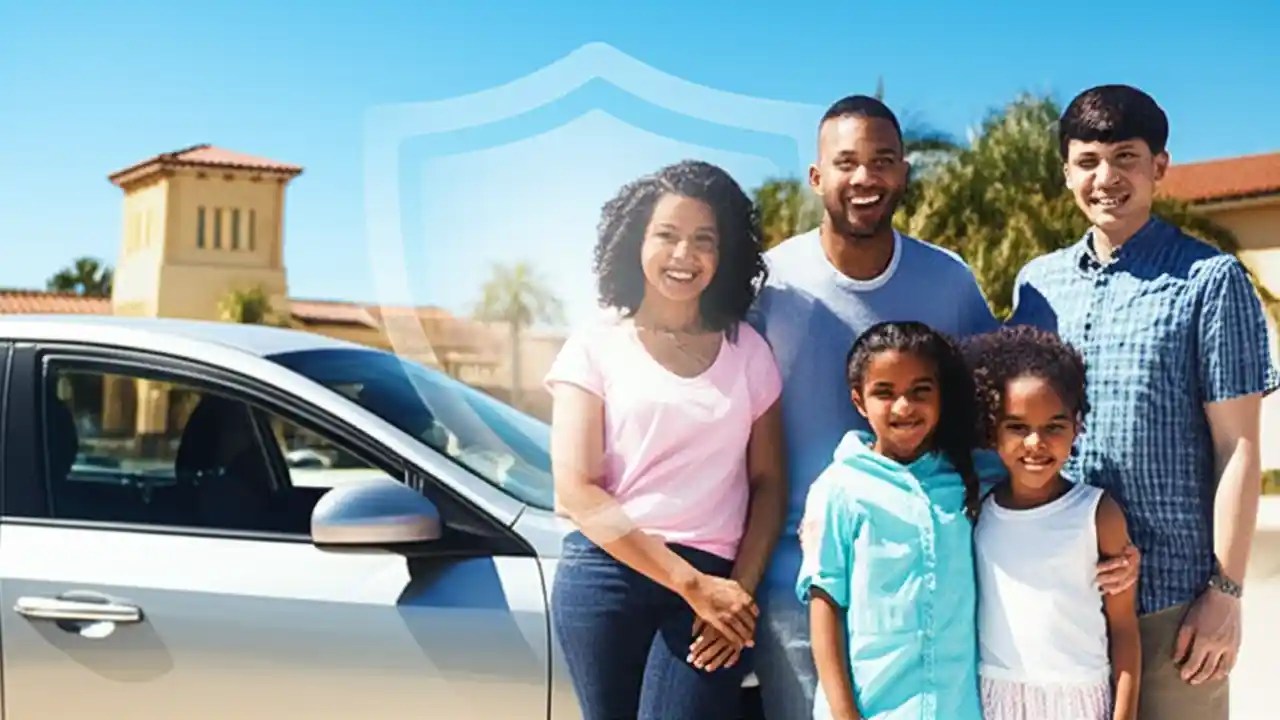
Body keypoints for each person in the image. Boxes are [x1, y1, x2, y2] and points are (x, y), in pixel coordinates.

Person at [744, 94, 1139, 719]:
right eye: (846, 162)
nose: (866, 177)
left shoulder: (948, 281)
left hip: (936, 593)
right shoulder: (770, 285)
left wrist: (1086, 534)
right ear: (817, 177)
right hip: (805, 588)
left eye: (883, 161)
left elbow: (998, 425)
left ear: (904, 172)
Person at [1009, 84, 1278, 720]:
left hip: (1172, 605)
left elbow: (1237, 445)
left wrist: (1225, 593)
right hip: (1060, 598)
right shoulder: (1037, 285)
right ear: (1066, 171)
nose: (1107, 178)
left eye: (1126, 157)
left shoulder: (1210, 282)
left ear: (1159, 165)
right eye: (1089, 161)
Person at [545, 159, 787, 720]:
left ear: (724, 254)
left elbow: (769, 483)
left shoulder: (747, 350)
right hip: (607, 576)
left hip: (715, 579)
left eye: (704, 240)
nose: (685, 255)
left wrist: (736, 593)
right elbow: (578, 489)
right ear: (636, 241)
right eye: (668, 235)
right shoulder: (595, 344)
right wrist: (689, 583)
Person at [799, 321, 986, 720]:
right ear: (859, 401)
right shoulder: (840, 488)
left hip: (959, 708)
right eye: (884, 393)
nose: (904, 407)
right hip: (870, 709)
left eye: (921, 392)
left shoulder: (965, 480)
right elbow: (825, 606)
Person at [964, 325, 1141, 720]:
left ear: (1076, 428)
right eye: (1017, 427)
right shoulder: (980, 514)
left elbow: (1125, 630)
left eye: (1053, 427)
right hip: (998, 699)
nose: (1035, 443)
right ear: (992, 430)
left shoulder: (1097, 514)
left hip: (1080, 699)